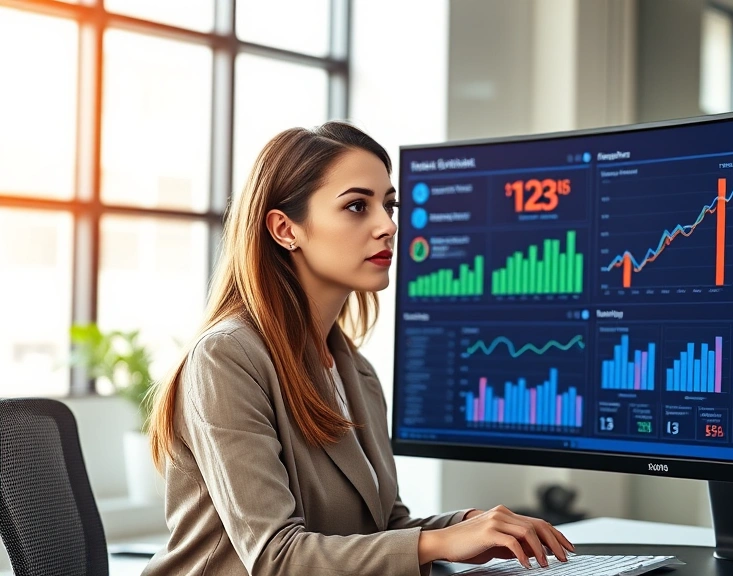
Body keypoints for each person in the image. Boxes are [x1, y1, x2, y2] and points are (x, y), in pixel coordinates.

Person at [143, 122, 574, 576]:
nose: (388, 226)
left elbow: (384, 528)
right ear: (285, 229)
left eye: (389, 206)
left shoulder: (355, 371)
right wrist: (441, 540)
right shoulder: (226, 358)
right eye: (356, 206)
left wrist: (473, 527)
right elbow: (276, 558)